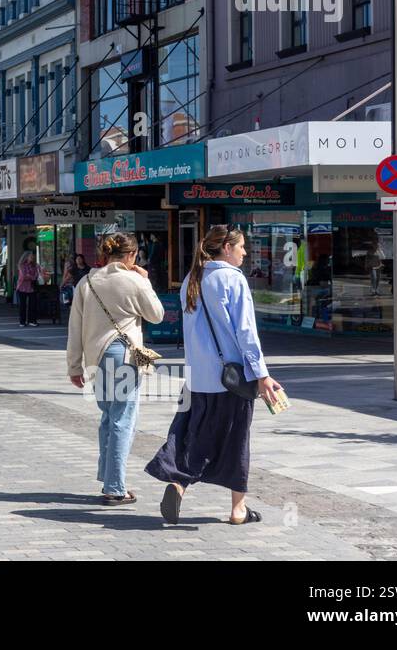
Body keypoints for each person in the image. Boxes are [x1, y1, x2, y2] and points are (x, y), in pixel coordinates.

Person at [146, 225, 283, 526]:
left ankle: (178, 484)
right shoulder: (232, 280)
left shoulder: (191, 279)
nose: (245, 252)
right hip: (231, 379)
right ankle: (238, 509)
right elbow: (246, 332)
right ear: (226, 248)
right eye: (241, 247)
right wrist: (262, 374)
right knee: (236, 439)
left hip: (198, 379)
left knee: (196, 437)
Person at [67, 233, 163, 505]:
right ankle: (114, 487)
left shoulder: (86, 282)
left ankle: (108, 477)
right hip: (123, 355)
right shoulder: (134, 281)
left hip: (95, 357)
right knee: (123, 419)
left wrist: (74, 365)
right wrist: (145, 281)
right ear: (131, 255)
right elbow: (156, 314)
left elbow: (74, 327)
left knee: (109, 417)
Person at [15, 252, 45, 326]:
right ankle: (22, 322)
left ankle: (32, 320)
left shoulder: (34, 265)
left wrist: (31, 276)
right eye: (31, 256)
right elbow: (23, 276)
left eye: (33, 256)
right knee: (23, 305)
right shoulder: (21, 265)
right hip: (22, 287)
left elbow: (37, 274)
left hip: (32, 287)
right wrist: (32, 277)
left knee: (33, 304)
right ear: (26, 257)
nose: (32, 257)